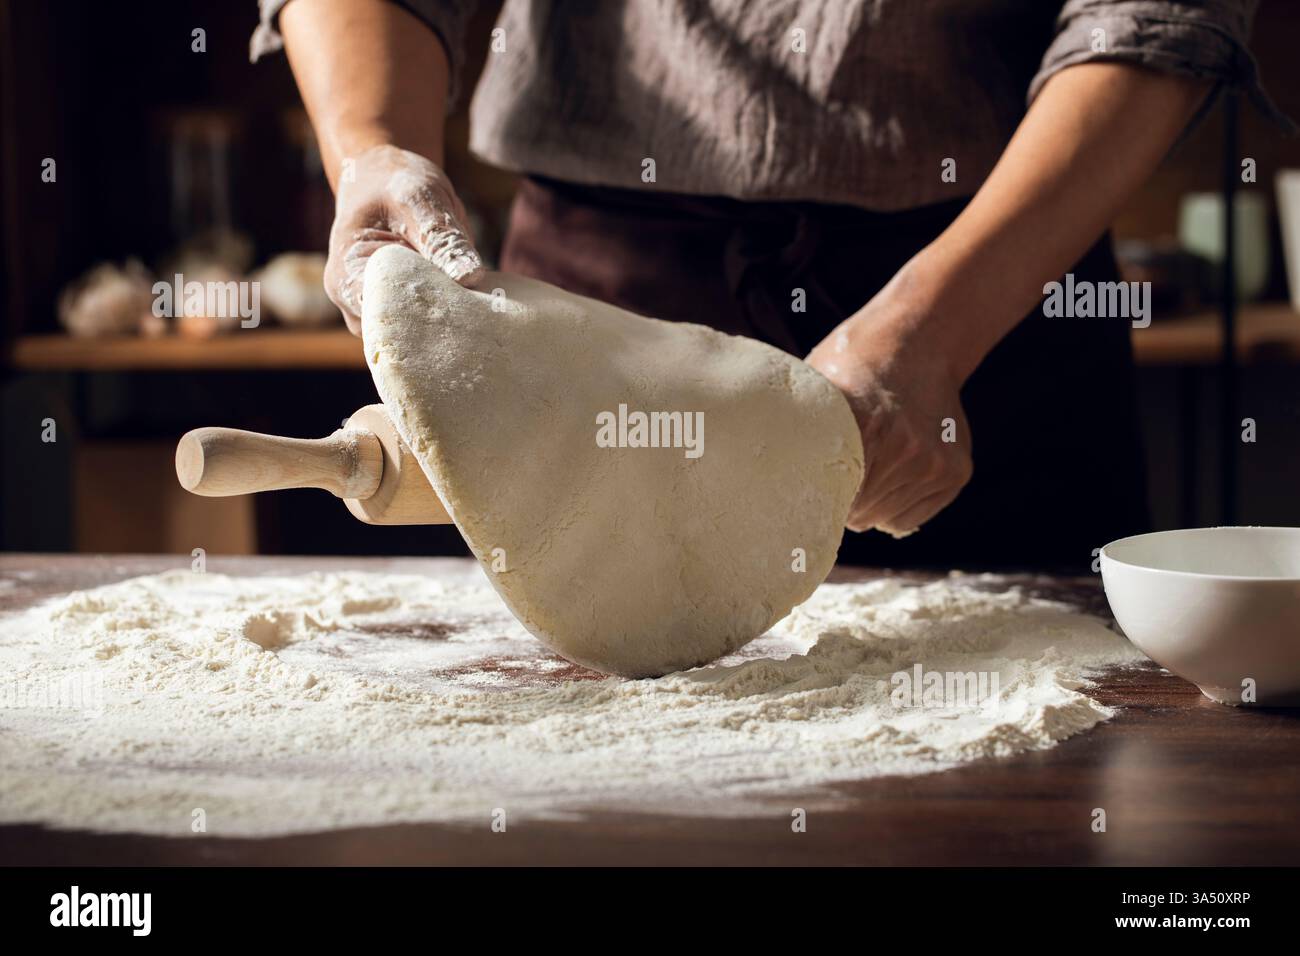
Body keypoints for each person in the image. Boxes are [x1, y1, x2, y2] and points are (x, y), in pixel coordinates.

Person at [252, 0, 1286, 571]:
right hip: (587, 315)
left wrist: (934, 327)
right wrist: (374, 149)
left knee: (1019, 760)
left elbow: (1154, 14)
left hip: (985, 304)